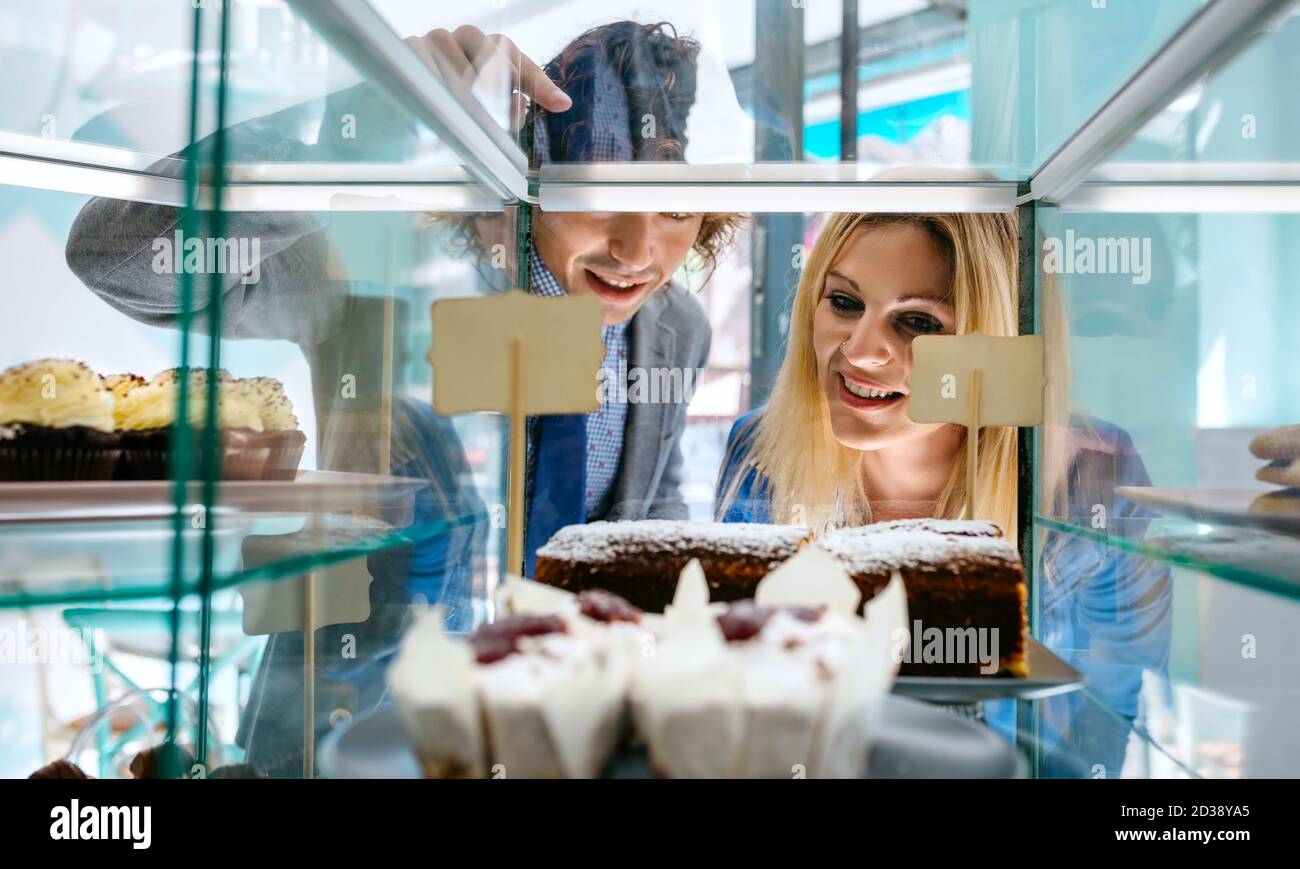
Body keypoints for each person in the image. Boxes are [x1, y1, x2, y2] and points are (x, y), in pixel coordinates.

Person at [64, 20, 739, 775]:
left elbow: (647, 511)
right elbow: (113, 258)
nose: (637, 250)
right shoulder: (379, 259)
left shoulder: (677, 326)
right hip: (355, 742)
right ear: (530, 168)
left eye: (676, 207)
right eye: (597, 190)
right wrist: (347, 150)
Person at [713, 212, 1172, 775]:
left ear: (997, 341)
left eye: (918, 323)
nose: (859, 352)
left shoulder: (1094, 475)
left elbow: (1103, 716)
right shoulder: (761, 450)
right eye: (845, 303)